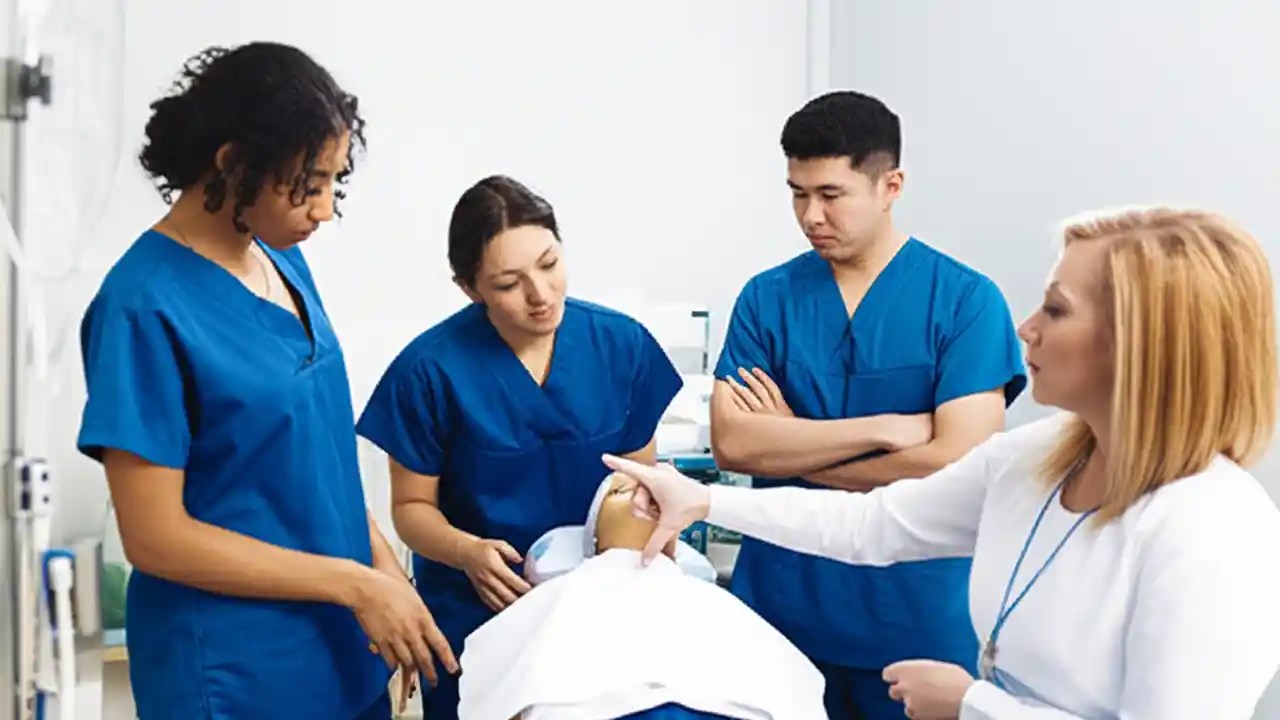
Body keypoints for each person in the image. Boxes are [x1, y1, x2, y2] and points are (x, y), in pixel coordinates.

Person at [603, 206, 1280, 719]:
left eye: (1056, 309)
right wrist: (705, 500)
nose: (1026, 328)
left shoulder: (1213, 529)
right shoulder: (1036, 459)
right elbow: (875, 525)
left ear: (1139, 345)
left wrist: (973, 705)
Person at [76, 42, 455, 720]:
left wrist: (386, 578)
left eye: (335, 182)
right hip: (236, 676)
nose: (326, 208)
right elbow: (154, 536)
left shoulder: (280, 261)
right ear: (233, 164)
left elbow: (315, 461)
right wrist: (356, 586)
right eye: (310, 183)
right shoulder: (143, 306)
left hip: (342, 653)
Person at [709, 90, 1025, 718]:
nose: (811, 215)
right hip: (781, 607)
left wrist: (795, 446)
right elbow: (735, 446)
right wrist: (882, 430)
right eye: (798, 194)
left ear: (890, 186)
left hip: (915, 619)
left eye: (831, 194)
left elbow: (956, 465)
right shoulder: (766, 299)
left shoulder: (965, 302)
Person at [355, 174, 684, 718]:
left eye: (550, 264)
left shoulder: (621, 346)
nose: (541, 295)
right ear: (470, 288)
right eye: (509, 283)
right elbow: (411, 510)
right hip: (479, 615)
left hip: (595, 612)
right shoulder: (428, 372)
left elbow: (636, 485)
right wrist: (467, 552)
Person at [457, 473, 826, 720]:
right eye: (621, 491)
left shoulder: (707, 599)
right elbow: (499, 679)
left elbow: (789, 689)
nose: (640, 492)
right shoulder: (563, 594)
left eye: (653, 493)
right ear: (595, 537)